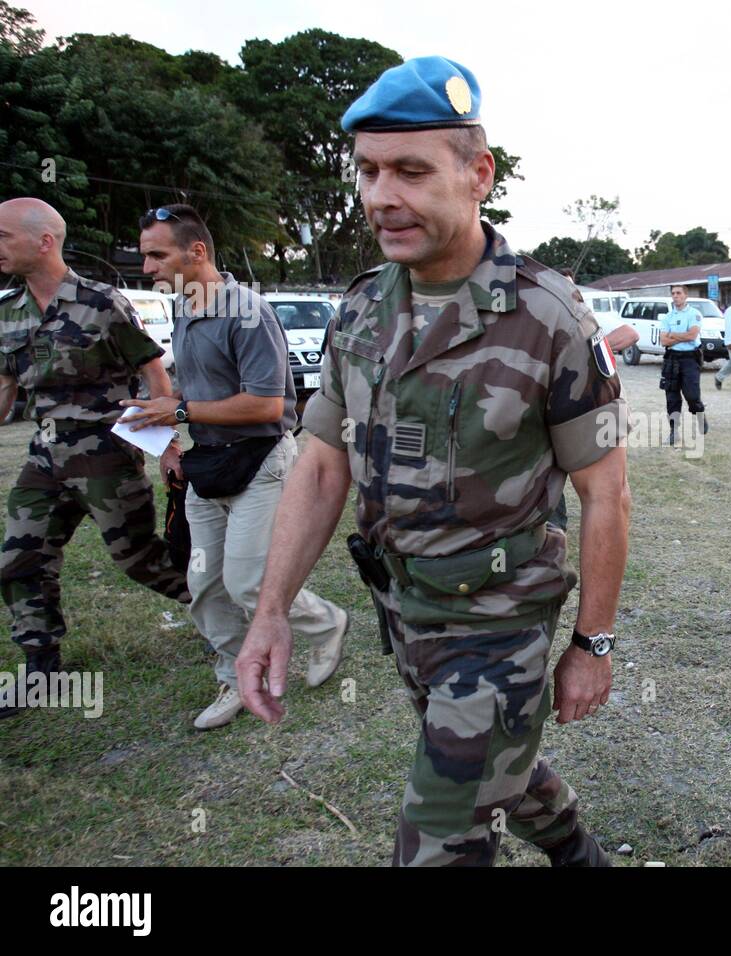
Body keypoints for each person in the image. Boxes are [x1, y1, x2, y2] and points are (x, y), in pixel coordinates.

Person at [234, 55, 632, 867]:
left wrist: (593, 644)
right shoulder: (360, 307)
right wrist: (270, 609)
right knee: (498, 769)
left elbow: (606, 494)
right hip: (405, 607)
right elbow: (318, 466)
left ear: (477, 173)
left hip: (500, 616)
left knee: (441, 829)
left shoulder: (546, 314)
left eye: (411, 171)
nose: (383, 196)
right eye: (369, 171)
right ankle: (581, 855)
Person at [125, 204, 348, 730]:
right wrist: (167, 425)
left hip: (260, 461)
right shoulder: (184, 307)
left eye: (157, 255)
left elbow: (269, 405)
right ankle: (232, 675)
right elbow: (204, 390)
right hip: (208, 463)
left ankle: (325, 623)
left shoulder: (246, 310)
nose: (147, 268)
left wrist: (178, 410)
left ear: (196, 252)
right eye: (145, 256)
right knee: (204, 583)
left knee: (249, 582)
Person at [0, 198, 190, 719]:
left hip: (105, 451)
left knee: (140, 560)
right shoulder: (7, 310)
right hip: (44, 455)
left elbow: (153, 371)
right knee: (18, 559)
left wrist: (167, 444)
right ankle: (42, 667)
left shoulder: (101, 302)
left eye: (3, 236)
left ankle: (227, 614)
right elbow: (5, 392)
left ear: (43, 242)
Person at [659, 284, 708, 445]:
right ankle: (674, 431)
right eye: (673, 293)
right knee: (671, 397)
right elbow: (663, 340)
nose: (675, 296)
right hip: (671, 358)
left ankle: (700, 413)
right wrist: (680, 336)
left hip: (689, 358)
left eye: (679, 293)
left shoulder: (694, 314)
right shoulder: (668, 317)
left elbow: (693, 336)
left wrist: (672, 334)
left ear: (686, 295)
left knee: (692, 395)